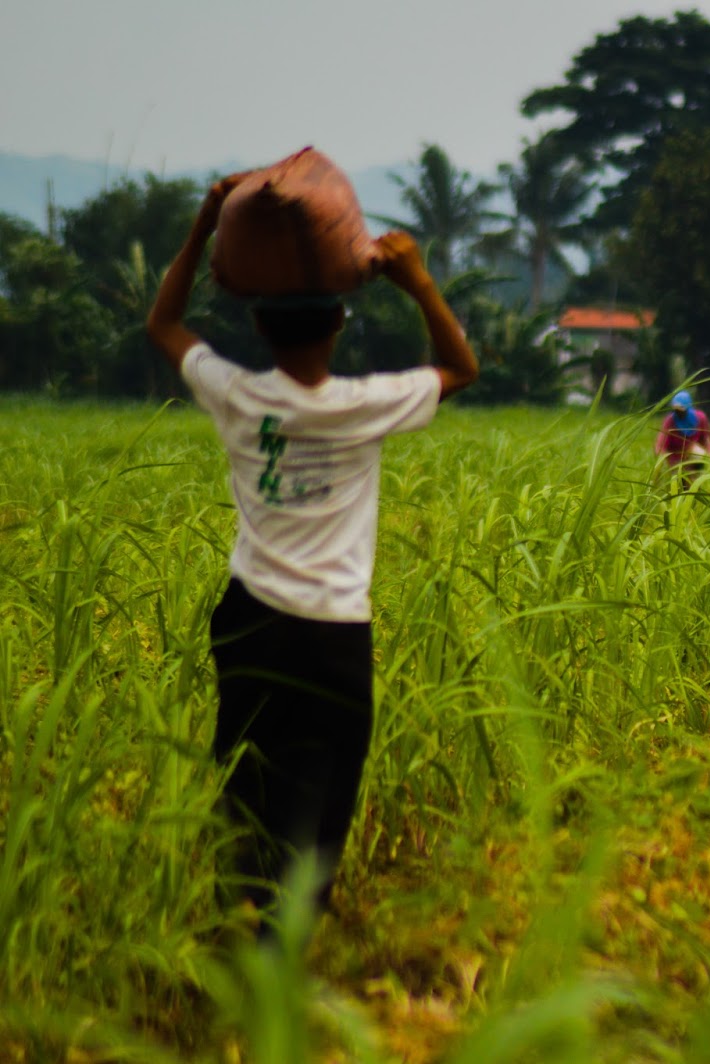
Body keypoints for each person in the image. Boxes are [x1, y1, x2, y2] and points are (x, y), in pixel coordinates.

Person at [145, 177, 479, 926]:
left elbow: (164, 323)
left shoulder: (237, 395)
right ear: (338, 323)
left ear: (258, 328)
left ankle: (238, 910)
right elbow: (461, 369)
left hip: (250, 619)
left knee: (247, 768)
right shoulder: (361, 408)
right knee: (325, 783)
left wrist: (203, 227)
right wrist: (419, 283)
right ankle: (293, 930)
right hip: (332, 631)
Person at [654, 389, 710, 488]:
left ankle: (694, 485)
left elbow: (708, 439)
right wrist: (660, 462)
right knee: (678, 484)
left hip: (693, 457)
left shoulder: (700, 418)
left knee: (697, 458)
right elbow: (660, 445)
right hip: (676, 459)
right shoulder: (670, 421)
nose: (679, 413)